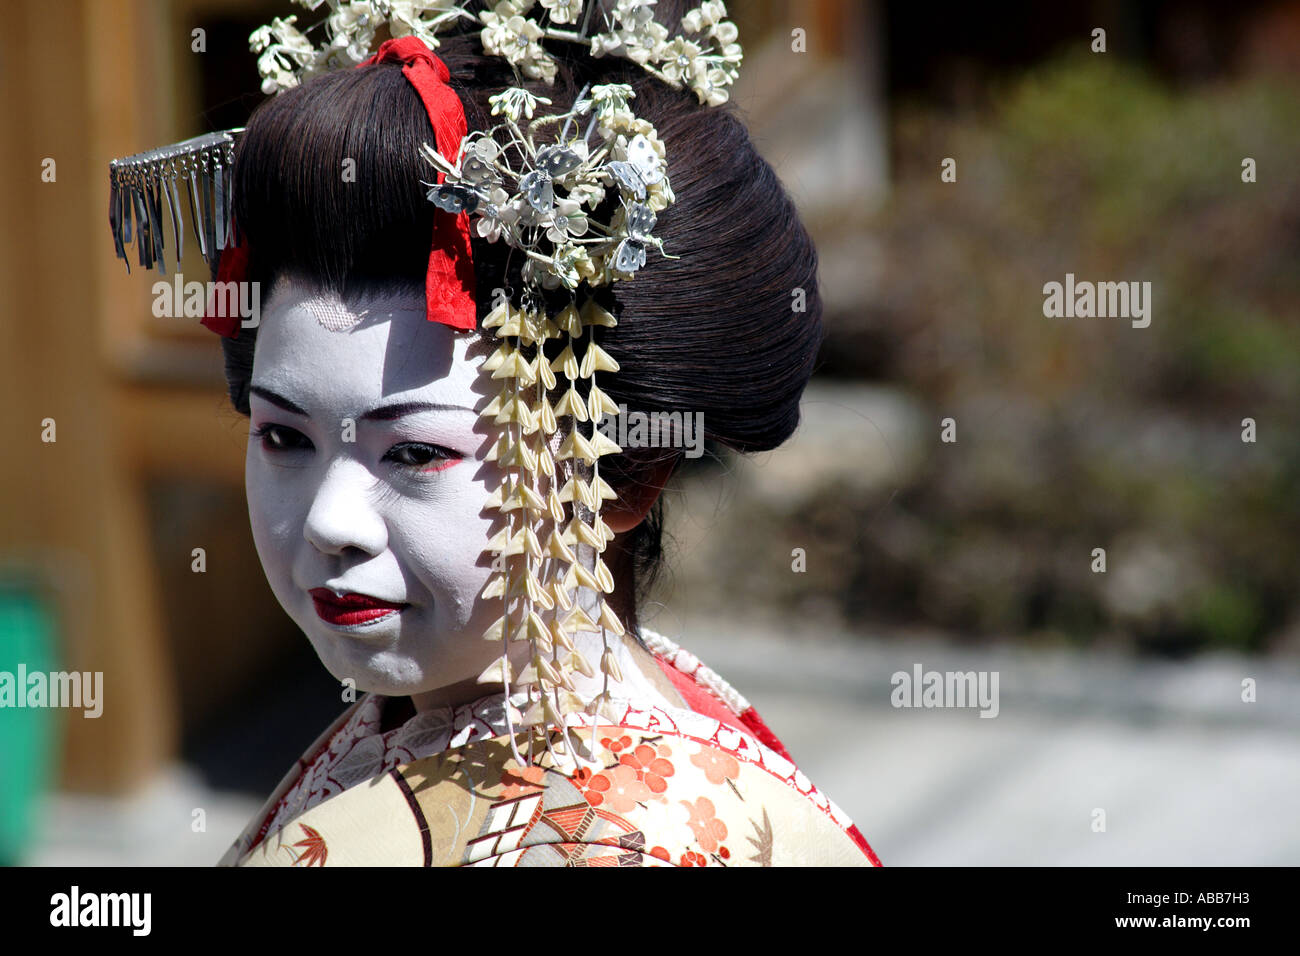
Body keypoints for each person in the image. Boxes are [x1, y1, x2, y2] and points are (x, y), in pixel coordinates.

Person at [111, 0, 879, 867]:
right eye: (286, 438)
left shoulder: (620, 842)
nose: (331, 520)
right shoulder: (428, 716)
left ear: (622, 479)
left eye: (414, 454)